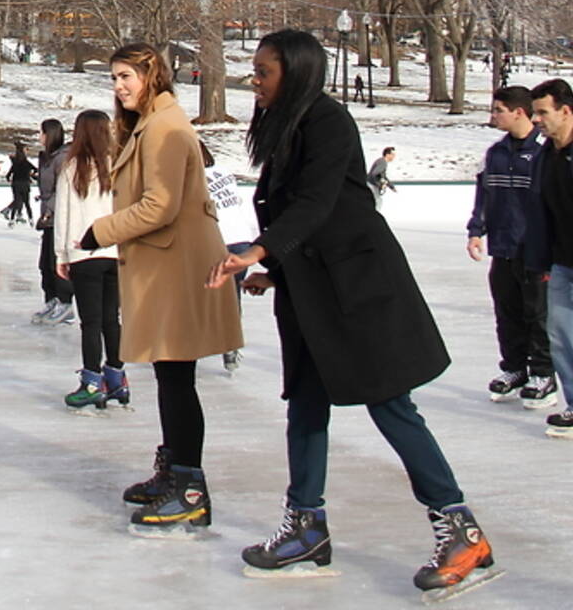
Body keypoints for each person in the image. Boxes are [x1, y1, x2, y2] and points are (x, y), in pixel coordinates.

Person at [208, 30, 495, 594]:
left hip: (358, 287)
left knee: (390, 404)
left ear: (295, 71)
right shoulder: (289, 126)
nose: (254, 80)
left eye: (264, 71)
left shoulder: (327, 120)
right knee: (307, 406)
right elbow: (299, 208)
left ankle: (459, 526)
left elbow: (319, 202)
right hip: (313, 289)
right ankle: (306, 526)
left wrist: (259, 249)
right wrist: (276, 271)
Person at [82, 42, 240, 532]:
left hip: (178, 269)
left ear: (153, 75)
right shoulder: (152, 124)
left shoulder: (166, 128)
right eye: (114, 78)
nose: (119, 86)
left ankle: (189, 487)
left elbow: (161, 206)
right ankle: (174, 472)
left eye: (126, 75)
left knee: (177, 379)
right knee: (172, 377)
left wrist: (101, 231)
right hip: (165, 266)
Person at [468, 86, 557, 407]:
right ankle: (515, 368)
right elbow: (484, 194)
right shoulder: (496, 152)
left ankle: (543, 373)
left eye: (498, 110)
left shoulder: (543, 152)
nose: (493, 116)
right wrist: (476, 230)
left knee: (537, 314)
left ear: (518, 112)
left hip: (533, 249)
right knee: (507, 313)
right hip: (502, 247)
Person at [58, 110, 125, 408]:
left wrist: (61, 253)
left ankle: (91, 381)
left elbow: (64, 214)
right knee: (112, 319)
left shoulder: (73, 167)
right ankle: (117, 378)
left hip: (83, 252)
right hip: (114, 251)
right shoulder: (118, 166)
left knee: (91, 322)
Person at [526, 79, 573, 439]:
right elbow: (541, 212)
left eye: (543, 112)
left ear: (565, 111)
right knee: (561, 335)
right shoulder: (545, 156)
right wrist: (539, 261)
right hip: (561, 262)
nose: (536, 119)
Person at [32, 118, 76, 326]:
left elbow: (63, 189)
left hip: (59, 217)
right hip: (48, 218)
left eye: (41, 133)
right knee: (45, 264)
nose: (39, 137)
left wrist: (49, 209)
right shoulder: (47, 157)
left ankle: (65, 303)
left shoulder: (63, 158)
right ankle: (51, 300)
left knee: (56, 261)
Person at [6, 142, 35, 224]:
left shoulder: (14, 163)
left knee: (16, 201)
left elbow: (8, 175)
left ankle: (12, 220)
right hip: (25, 184)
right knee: (27, 203)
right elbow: (35, 169)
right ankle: (31, 219)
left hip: (16, 184)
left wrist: (10, 179)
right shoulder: (27, 163)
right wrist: (30, 175)